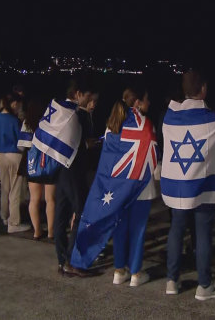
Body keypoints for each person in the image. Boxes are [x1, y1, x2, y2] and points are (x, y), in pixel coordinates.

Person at [70, 90, 159, 286]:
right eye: (147, 99)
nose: (149, 103)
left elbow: (109, 162)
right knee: (138, 230)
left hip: (117, 190)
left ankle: (119, 271)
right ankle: (136, 272)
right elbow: (153, 154)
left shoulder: (112, 126)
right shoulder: (145, 125)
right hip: (141, 188)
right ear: (137, 102)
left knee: (119, 228)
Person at [161, 70, 215, 300]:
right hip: (202, 186)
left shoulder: (169, 118)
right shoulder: (214, 121)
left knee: (176, 229)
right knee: (203, 234)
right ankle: (204, 286)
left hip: (177, 185)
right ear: (203, 89)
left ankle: (172, 280)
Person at [53, 78, 94, 276]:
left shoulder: (59, 111)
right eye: (88, 96)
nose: (89, 99)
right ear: (78, 94)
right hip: (73, 170)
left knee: (61, 216)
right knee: (80, 213)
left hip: (61, 168)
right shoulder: (75, 115)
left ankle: (61, 260)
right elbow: (82, 144)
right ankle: (71, 260)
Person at [0, 93, 31, 233]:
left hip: (1, 156)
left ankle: (4, 216)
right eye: (18, 104)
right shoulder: (14, 120)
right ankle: (14, 223)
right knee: (15, 190)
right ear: (13, 103)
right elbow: (22, 141)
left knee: (5, 188)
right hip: (15, 156)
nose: (19, 107)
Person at [20, 97, 57, 240]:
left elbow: (22, 144)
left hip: (32, 165)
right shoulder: (50, 123)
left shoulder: (27, 123)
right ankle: (51, 232)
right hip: (49, 165)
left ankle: (37, 231)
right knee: (50, 199)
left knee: (34, 199)